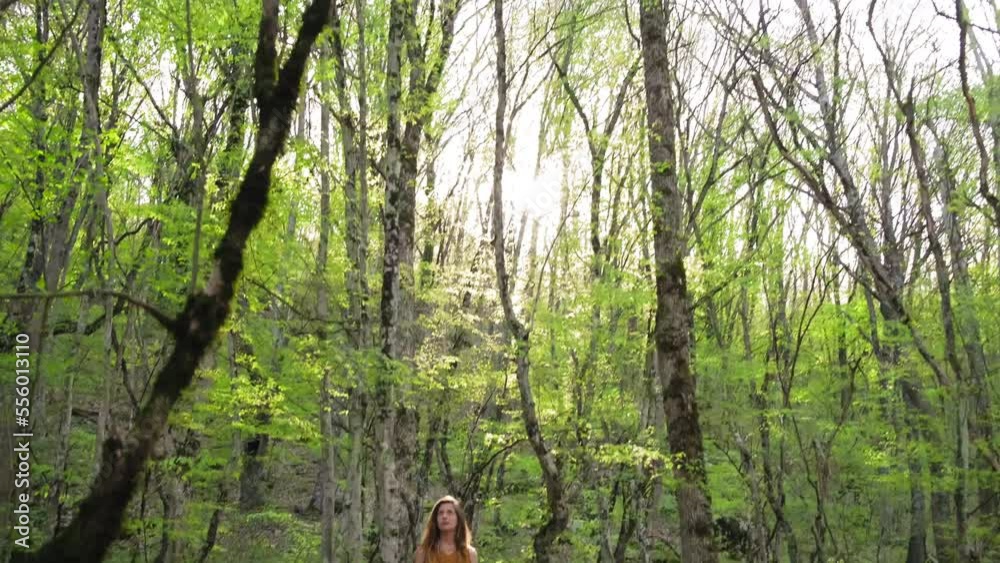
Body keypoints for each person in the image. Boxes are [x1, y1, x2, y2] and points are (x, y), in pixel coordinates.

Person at [414, 495, 479, 563]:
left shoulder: (470, 553)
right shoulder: (423, 552)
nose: (444, 516)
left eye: (450, 512)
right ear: (436, 519)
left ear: (458, 518)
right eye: (440, 513)